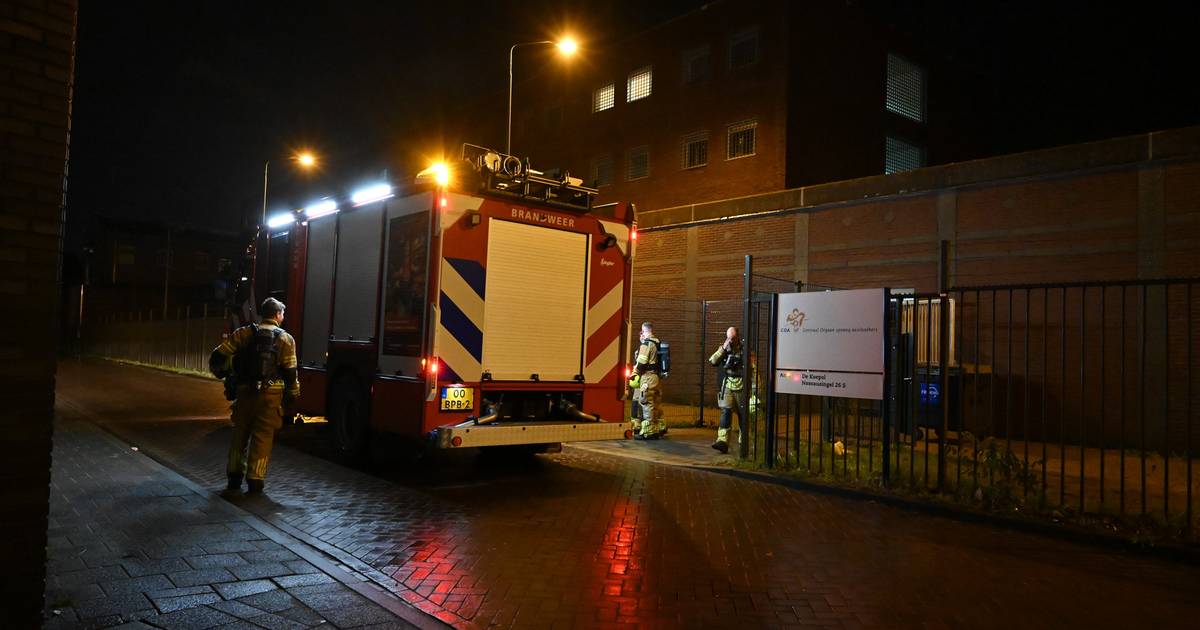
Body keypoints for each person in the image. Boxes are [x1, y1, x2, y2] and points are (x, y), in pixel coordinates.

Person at [209, 297, 299, 497]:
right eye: (282, 314)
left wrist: (224, 372)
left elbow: (218, 355)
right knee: (262, 437)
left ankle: (234, 478)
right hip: (271, 396)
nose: (283, 317)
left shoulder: (243, 333)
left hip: (244, 393)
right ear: (277, 315)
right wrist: (293, 393)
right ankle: (255, 481)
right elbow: (290, 372)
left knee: (239, 436)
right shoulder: (286, 339)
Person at [708, 326, 746, 454]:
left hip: (741, 384)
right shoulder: (724, 348)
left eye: (733, 339)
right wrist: (724, 348)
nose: (730, 341)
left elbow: (753, 370)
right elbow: (713, 361)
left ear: (738, 337)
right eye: (728, 338)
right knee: (726, 412)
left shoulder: (744, 350)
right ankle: (722, 441)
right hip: (728, 384)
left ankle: (744, 440)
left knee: (743, 414)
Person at [632, 322, 666, 440]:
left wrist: (634, 373)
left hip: (647, 377)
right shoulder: (657, 343)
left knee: (646, 402)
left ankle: (649, 432)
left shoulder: (646, 344)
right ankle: (656, 428)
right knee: (655, 403)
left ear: (644, 331)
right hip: (657, 378)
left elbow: (641, 363)